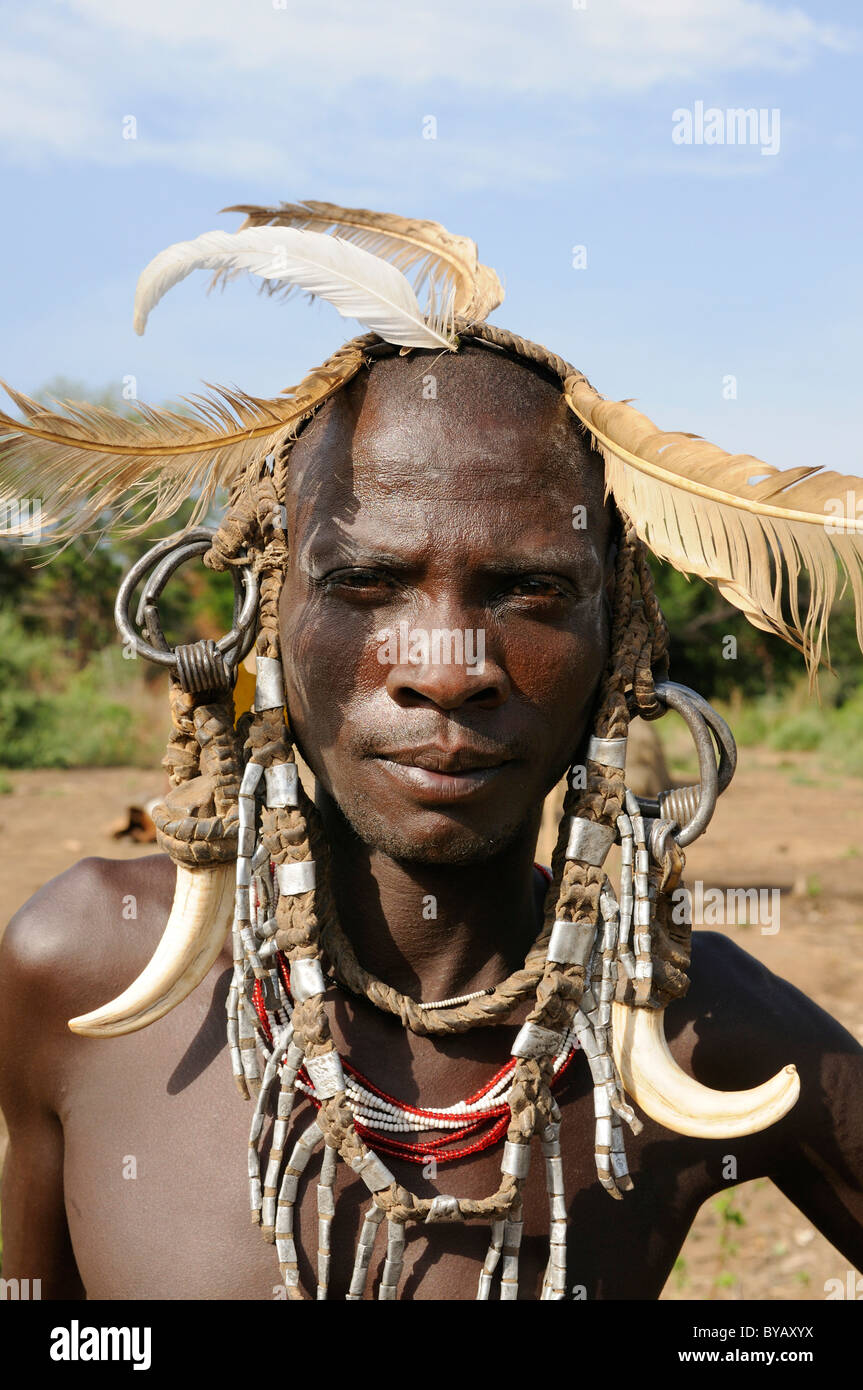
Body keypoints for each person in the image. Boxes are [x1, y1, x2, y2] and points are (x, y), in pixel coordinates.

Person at [1, 203, 862, 1301]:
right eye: (364, 583)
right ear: (267, 612)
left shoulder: (701, 1024)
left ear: (623, 640)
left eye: (529, 589)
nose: (448, 666)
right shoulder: (76, 966)